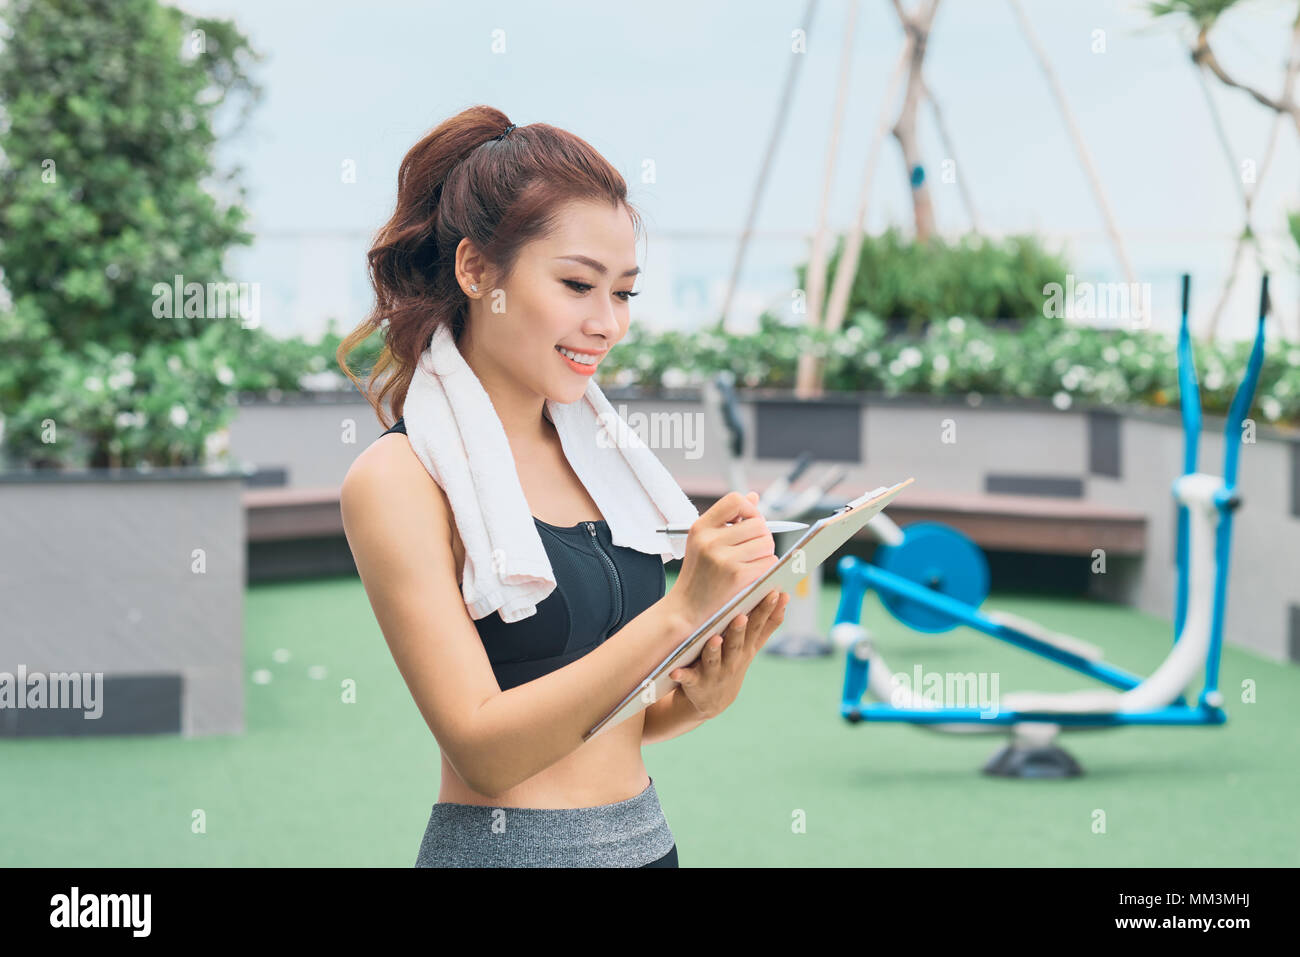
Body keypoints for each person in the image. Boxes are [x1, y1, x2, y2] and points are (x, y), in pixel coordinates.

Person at [337, 105, 790, 867]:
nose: (607, 323)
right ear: (477, 271)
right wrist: (679, 611)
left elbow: (611, 718)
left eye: (624, 293)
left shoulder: (601, 460)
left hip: (647, 844)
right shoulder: (400, 477)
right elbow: (483, 747)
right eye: (579, 284)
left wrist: (693, 700)